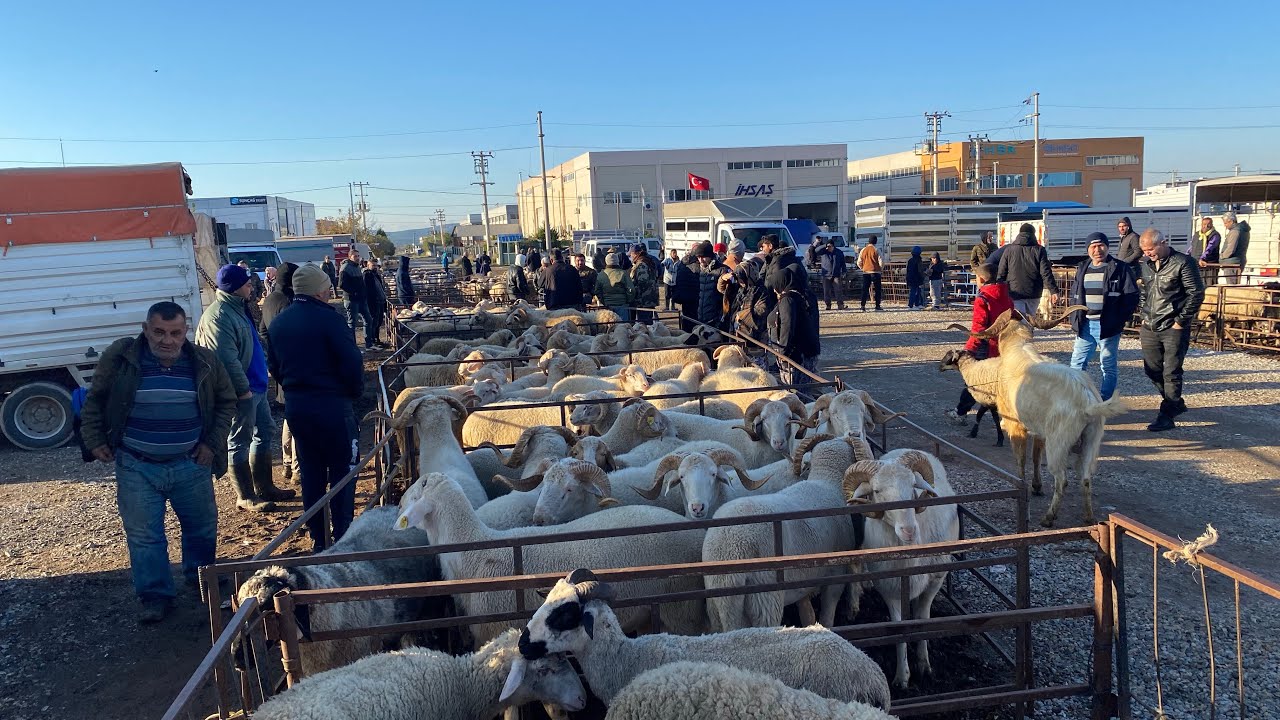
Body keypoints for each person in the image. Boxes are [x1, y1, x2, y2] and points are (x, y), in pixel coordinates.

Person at [80, 301, 237, 623]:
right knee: (144, 535)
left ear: (185, 332)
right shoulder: (122, 358)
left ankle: (200, 579)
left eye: (175, 333)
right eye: (159, 332)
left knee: (201, 529)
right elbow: (95, 399)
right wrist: (95, 439)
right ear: (145, 330)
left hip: (190, 464)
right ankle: (155, 595)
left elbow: (226, 402)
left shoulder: (204, 361)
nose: (167, 340)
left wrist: (212, 443)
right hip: (137, 465)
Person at [267, 264, 364, 550]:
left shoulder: (280, 322)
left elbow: (275, 367)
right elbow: (351, 362)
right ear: (320, 290)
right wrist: (352, 393)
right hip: (332, 406)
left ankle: (319, 538)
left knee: (311, 472)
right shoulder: (330, 320)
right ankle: (343, 536)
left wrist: (294, 389)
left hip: (298, 407)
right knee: (342, 470)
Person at [195, 263, 294, 513]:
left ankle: (264, 486)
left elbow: (251, 342)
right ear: (235, 287)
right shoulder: (219, 317)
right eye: (248, 283)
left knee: (264, 431)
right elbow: (225, 359)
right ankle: (245, 495)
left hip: (256, 386)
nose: (252, 286)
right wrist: (242, 391)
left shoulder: (237, 309)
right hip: (243, 390)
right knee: (239, 439)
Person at [1137, 228, 1205, 431]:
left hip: (1173, 326)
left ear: (1163, 243)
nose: (1148, 253)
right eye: (1145, 250)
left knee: (1172, 371)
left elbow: (1196, 293)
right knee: (1152, 369)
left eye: (1150, 249)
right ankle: (1175, 403)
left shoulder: (1183, 263)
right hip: (1150, 324)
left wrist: (1181, 321)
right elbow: (1145, 291)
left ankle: (1166, 415)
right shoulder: (1146, 265)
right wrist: (1143, 314)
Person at [1068, 233, 1140, 401]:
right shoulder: (1082, 268)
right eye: (1093, 246)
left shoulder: (1120, 268)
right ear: (1087, 250)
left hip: (1107, 325)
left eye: (1101, 245)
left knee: (1107, 364)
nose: (1097, 250)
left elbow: (1131, 296)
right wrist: (1075, 319)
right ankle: (1078, 399)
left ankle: (1105, 400)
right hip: (1085, 324)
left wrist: (1119, 319)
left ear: (1107, 247)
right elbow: (1075, 294)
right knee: (1077, 364)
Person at [946, 263, 1013, 424]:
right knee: (1001, 382)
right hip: (1003, 344)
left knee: (974, 381)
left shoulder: (983, 299)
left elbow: (978, 328)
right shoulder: (1007, 296)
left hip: (985, 347)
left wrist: (969, 349)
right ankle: (1006, 417)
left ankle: (961, 412)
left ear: (981, 279)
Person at [261, 262, 301, 484]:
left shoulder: (269, 299)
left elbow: (262, 330)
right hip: (292, 366)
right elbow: (293, 334)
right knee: (297, 420)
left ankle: (286, 463)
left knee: (289, 417)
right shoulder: (288, 302)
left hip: (278, 366)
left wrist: (272, 349)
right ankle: (297, 468)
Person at [765, 251, 821, 388]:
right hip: (803, 350)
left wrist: (782, 351)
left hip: (794, 354)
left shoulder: (788, 300)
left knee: (796, 389)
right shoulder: (799, 296)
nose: (774, 290)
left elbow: (787, 325)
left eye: (775, 286)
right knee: (802, 387)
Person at [997, 223, 1059, 317]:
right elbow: (1046, 273)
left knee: (1018, 322)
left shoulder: (1009, 250)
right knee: (1030, 321)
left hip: (1014, 293)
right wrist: (1054, 291)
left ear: (1019, 233)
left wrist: (999, 291)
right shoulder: (1039, 250)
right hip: (1034, 293)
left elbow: (1001, 273)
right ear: (1033, 234)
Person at [674, 242, 725, 330]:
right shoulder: (699, 269)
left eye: (703, 257)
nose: (701, 260)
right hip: (699, 313)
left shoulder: (721, 270)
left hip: (711, 316)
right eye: (699, 257)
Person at [338, 251, 376, 350]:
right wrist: (353, 292)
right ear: (349, 257)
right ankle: (352, 347)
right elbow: (341, 284)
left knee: (368, 320)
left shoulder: (357, 267)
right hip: (352, 300)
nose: (357, 258)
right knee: (352, 324)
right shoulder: (345, 268)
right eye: (355, 256)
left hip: (361, 299)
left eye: (358, 256)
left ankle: (369, 344)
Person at [593, 252, 634, 321]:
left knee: (609, 327)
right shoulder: (623, 273)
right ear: (617, 261)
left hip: (607, 306)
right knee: (623, 327)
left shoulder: (601, 275)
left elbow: (597, 291)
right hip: (622, 305)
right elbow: (631, 289)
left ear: (606, 262)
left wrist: (603, 301)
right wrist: (628, 300)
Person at [629, 243, 660, 324]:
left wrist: (631, 290)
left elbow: (643, 283)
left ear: (636, 254)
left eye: (631, 254)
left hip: (643, 301)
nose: (631, 256)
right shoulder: (649, 261)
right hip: (650, 298)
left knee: (644, 325)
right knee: (648, 323)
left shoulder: (641, 265)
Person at [1218, 211, 1249, 285]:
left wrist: (1222, 257)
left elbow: (1231, 248)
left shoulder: (1235, 231)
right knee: (1234, 286)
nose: (1225, 226)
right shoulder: (1243, 230)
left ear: (1231, 221)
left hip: (1232, 263)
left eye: (1226, 223)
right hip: (1238, 261)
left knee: (1231, 287)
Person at [363, 259, 389, 347]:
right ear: (368, 265)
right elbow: (367, 290)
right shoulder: (367, 275)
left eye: (376, 265)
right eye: (372, 265)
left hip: (380, 301)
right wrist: (371, 300)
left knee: (378, 321)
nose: (375, 267)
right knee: (373, 321)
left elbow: (380, 287)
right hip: (373, 302)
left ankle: (377, 339)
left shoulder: (376, 275)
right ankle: (372, 340)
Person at [816, 239, 847, 310]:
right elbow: (816, 251)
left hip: (836, 274)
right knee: (826, 291)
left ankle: (840, 304)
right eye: (827, 246)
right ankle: (828, 305)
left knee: (838, 290)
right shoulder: (823, 251)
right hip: (826, 275)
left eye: (830, 246)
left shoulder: (839, 252)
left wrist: (844, 271)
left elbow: (843, 262)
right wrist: (824, 245)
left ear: (833, 246)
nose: (828, 248)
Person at [857, 235, 884, 312]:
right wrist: (880, 269)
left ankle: (863, 306)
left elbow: (859, 262)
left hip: (866, 272)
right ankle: (877, 305)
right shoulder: (876, 250)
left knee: (865, 289)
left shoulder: (863, 250)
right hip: (875, 272)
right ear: (876, 241)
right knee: (877, 289)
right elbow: (881, 261)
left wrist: (863, 268)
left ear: (868, 241)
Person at [237, 260, 266, 328]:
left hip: (254, 302)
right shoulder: (237, 278)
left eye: (244, 268)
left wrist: (258, 298)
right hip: (243, 303)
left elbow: (260, 287)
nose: (242, 269)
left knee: (258, 321)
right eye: (240, 268)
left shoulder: (254, 276)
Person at [1195, 217, 1222, 286]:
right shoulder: (1196, 234)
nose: (1206, 226)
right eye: (1204, 224)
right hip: (1196, 264)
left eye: (1208, 224)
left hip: (1209, 264)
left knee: (1210, 285)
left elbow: (1210, 248)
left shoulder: (1215, 235)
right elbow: (1192, 247)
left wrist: (1202, 258)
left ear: (1212, 225)